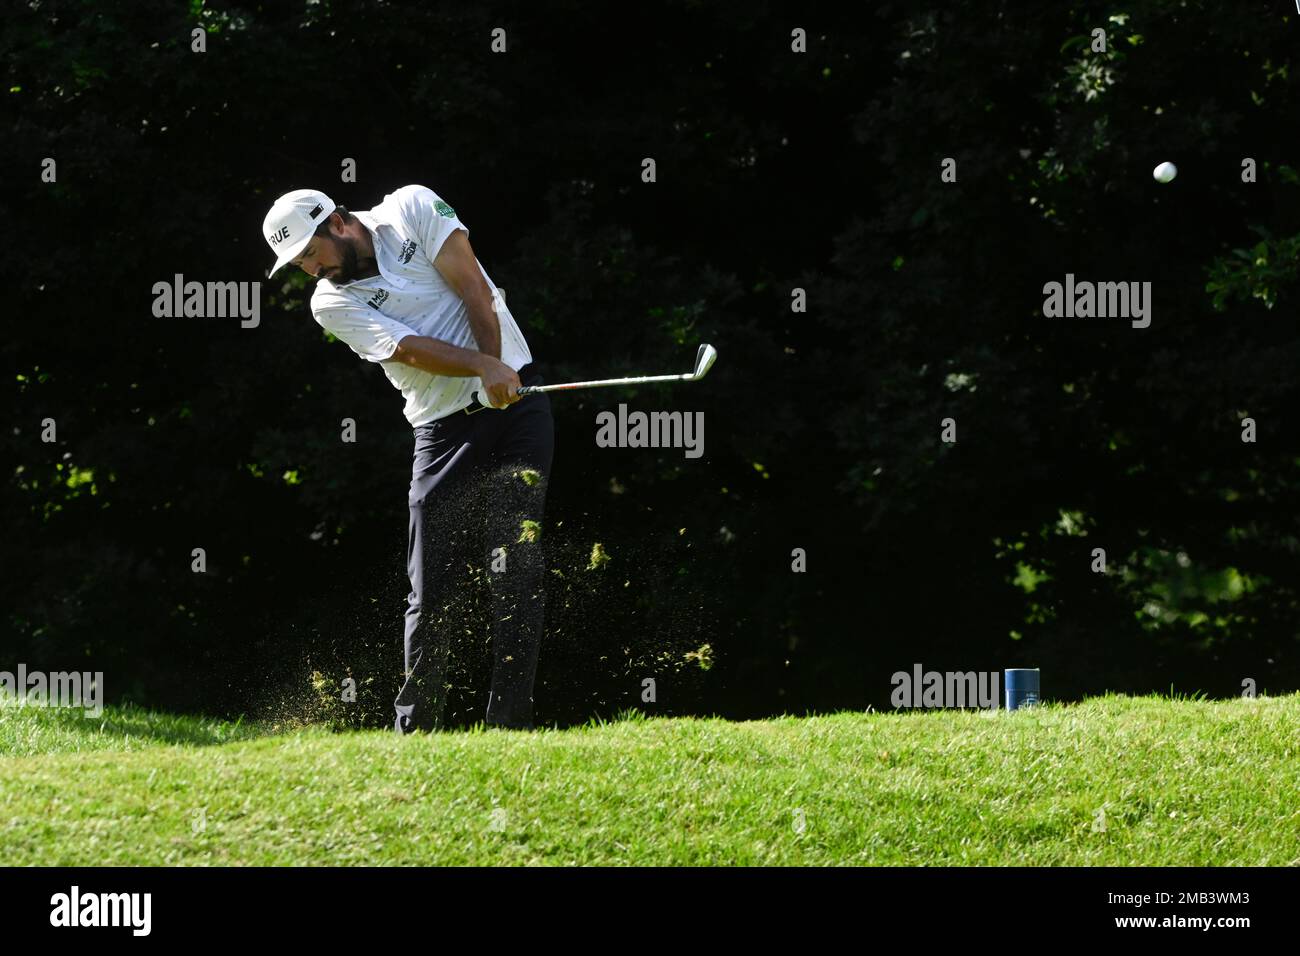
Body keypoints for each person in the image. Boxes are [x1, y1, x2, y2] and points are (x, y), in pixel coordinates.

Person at [261, 185, 554, 732]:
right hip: (442, 430)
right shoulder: (330, 302)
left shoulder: (413, 208)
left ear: (338, 223)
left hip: (519, 404)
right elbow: (407, 348)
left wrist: (494, 368)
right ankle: (417, 729)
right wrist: (482, 370)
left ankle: (511, 725)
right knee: (433, 582)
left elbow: (475, 289)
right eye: (297, 261)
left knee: (517, 566)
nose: (309, 268)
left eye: (310, 252)